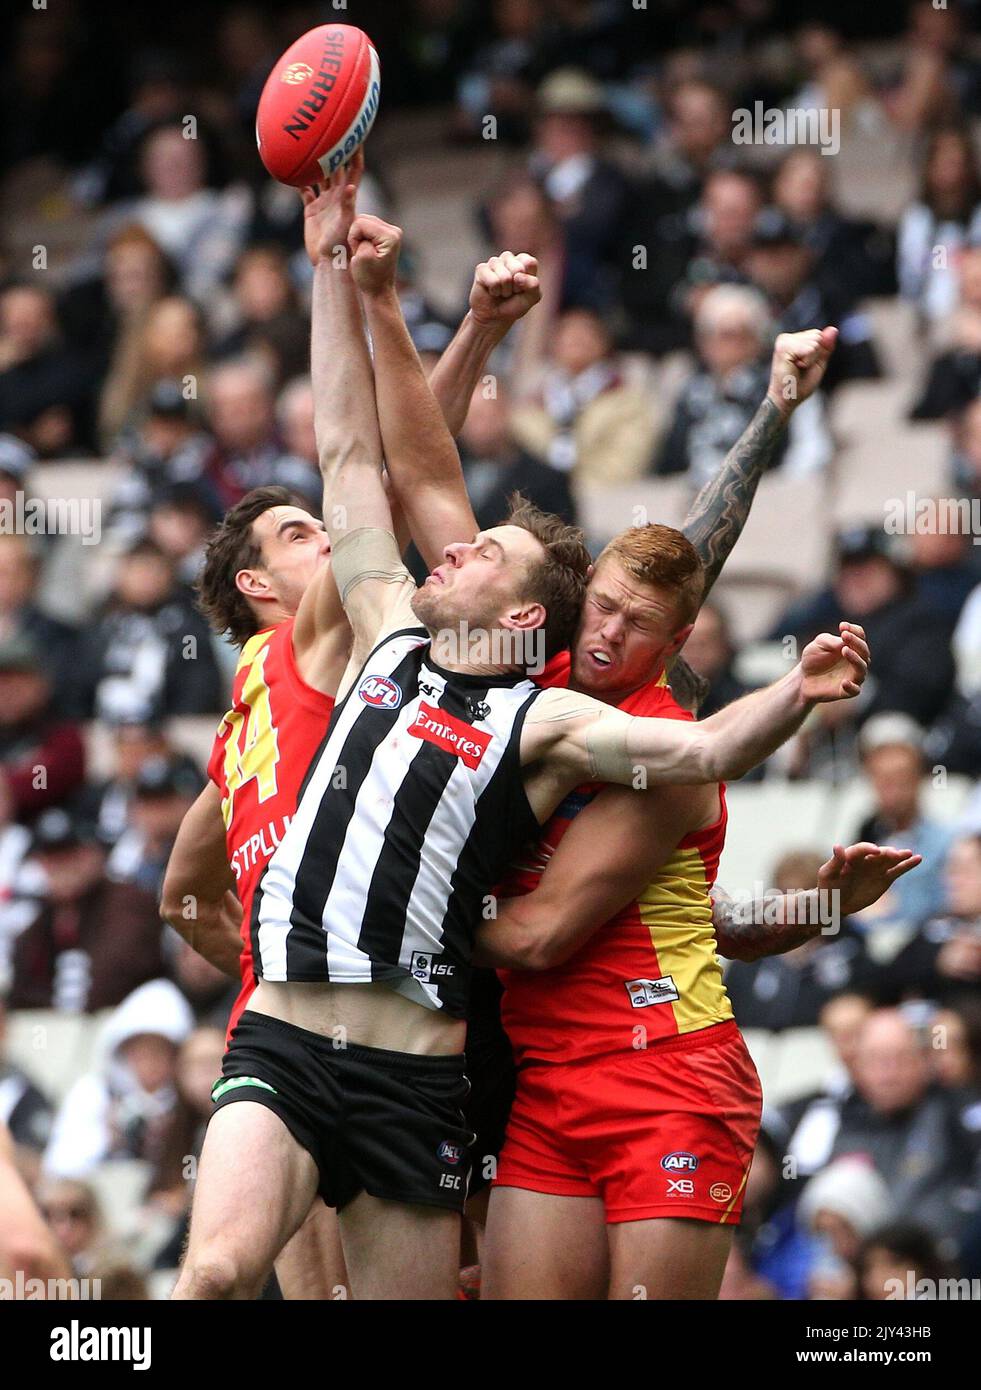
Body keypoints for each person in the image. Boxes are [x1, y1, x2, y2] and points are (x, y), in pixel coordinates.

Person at [172, 165, 869, 1302]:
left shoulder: (561, 719)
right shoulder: (408, 632)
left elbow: (579, 906)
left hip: (536, 1051)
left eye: (482, 554)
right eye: (601, 610)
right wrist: (346, 280)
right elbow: (380, 463)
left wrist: (797, 689)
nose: (453, 551)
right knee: (221, 1276)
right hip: (401, 1045)